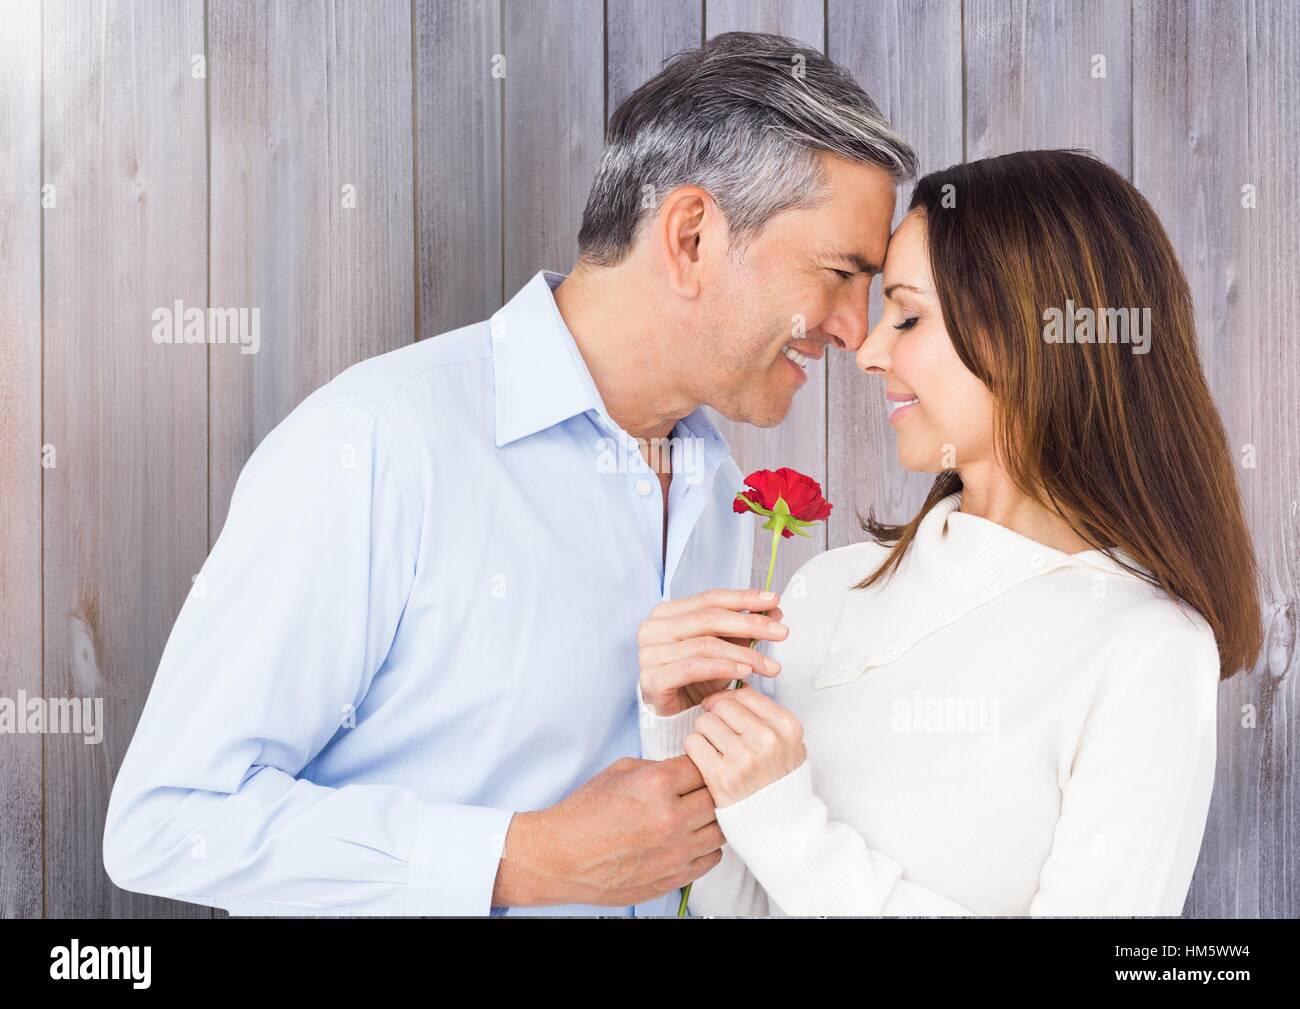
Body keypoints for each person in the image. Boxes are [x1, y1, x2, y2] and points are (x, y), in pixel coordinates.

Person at [100, 31, 916, 916]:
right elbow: (169, 820)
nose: (853, 330)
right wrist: (516, 859)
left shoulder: (722, 494)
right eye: (841, 274)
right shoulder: (380, 445)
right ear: (689, 235)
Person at [638, 149, 1263, 916]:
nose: (867, 351)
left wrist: (789, 823)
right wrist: (683, 726)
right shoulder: (827, 588)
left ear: (1033, 335)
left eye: (906, 315)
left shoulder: (1146, 649)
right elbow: (738, 907)